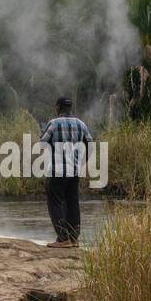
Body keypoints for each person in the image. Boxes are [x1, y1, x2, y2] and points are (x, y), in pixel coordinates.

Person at [40, 96, 93, 248]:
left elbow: (42, 143)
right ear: (70, 108)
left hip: (56, 171)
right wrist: (82, 163)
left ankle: (63, 239)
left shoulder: (54, 123)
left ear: (58, 108)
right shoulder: (81, 124)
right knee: (72, 203)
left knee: (55, 203)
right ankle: (73, 239)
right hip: (74, 171)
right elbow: (90, 144)